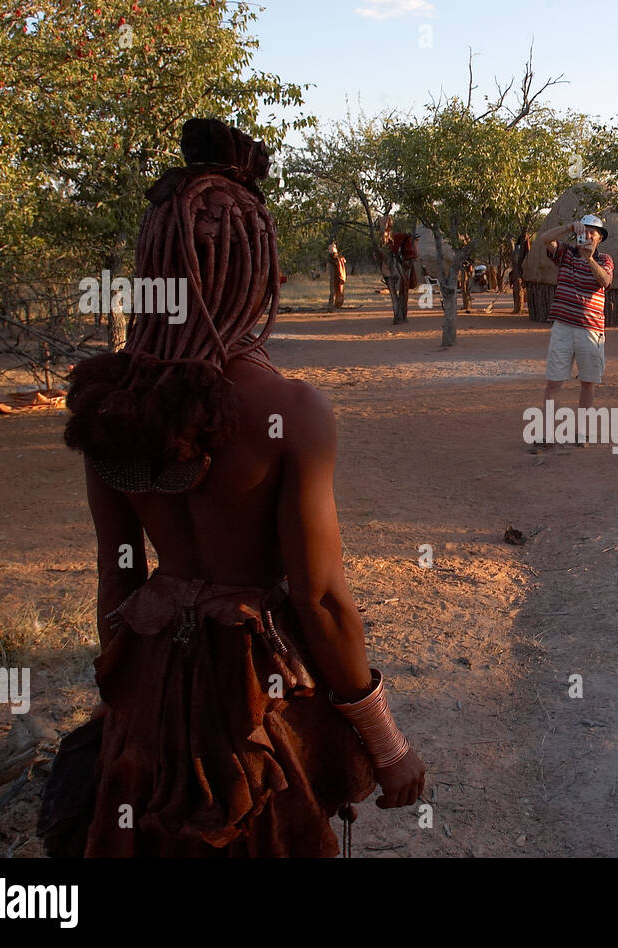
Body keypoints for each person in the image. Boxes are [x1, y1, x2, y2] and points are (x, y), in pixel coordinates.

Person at [42, 119, 425, 857]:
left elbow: (117, 576)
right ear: (256, 270)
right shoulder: (292, 410)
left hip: (151, 674)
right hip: (257, 698)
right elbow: (317, 599)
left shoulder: (108, 405)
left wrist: (135, 707)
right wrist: (386, 743)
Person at [528, 213, 614, 452]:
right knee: (553, 382)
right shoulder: (565, 253)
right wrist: (567, 226)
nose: (587, 235)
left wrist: (589, 260)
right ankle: (546, 434)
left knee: (588, 383)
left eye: (592, 232)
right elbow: (544, 238)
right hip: (563, 328)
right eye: (583, 231)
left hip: (591, 330)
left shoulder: (605, 259)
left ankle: (582, 432)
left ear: (599, 238)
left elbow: (605, 281)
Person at [328, 242, 347, 310]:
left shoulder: (338, 260)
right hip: (335, 278)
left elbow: (341, 270)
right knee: (334, 292)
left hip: (338, 278)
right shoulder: (333, 260)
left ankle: (336, 305)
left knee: (338, 292)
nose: (333, 255)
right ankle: (332, 306)